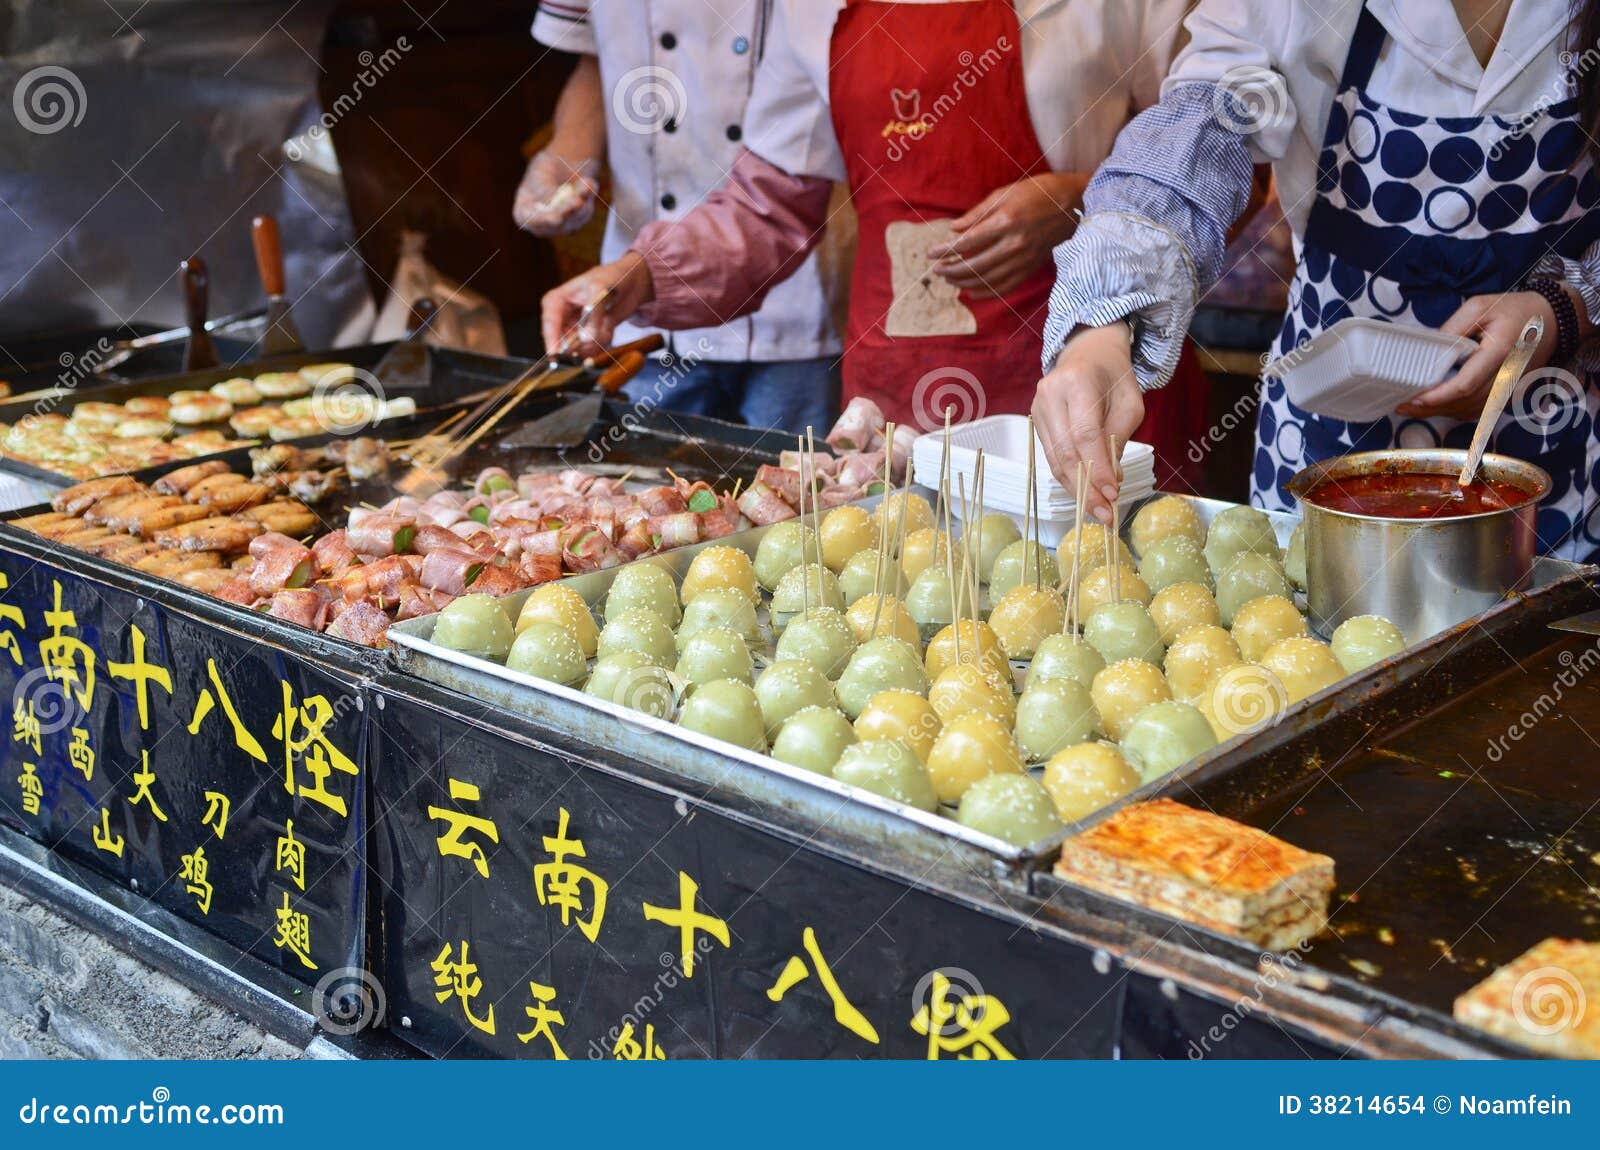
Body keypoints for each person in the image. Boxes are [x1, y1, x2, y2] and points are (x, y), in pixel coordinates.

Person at [1037, 0, 1600, 560]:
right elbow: (1201, 125)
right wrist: (1101, 326)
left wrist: (1567, 304)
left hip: (1553, 443)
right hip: (1324, 442)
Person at [540, 0, 1205, 458]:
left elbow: (1212, 148)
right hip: (894, 393)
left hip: (1085, 365)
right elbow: (766, 205)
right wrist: (637, 275)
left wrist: (1080, 199)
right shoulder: (817, 9)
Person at [517, 0, 848, 434]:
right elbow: (592, 57)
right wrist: (563, 165)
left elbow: (775, 194)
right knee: (644, 488)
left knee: (808, 487)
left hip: (798, 278)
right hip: (636, 300)